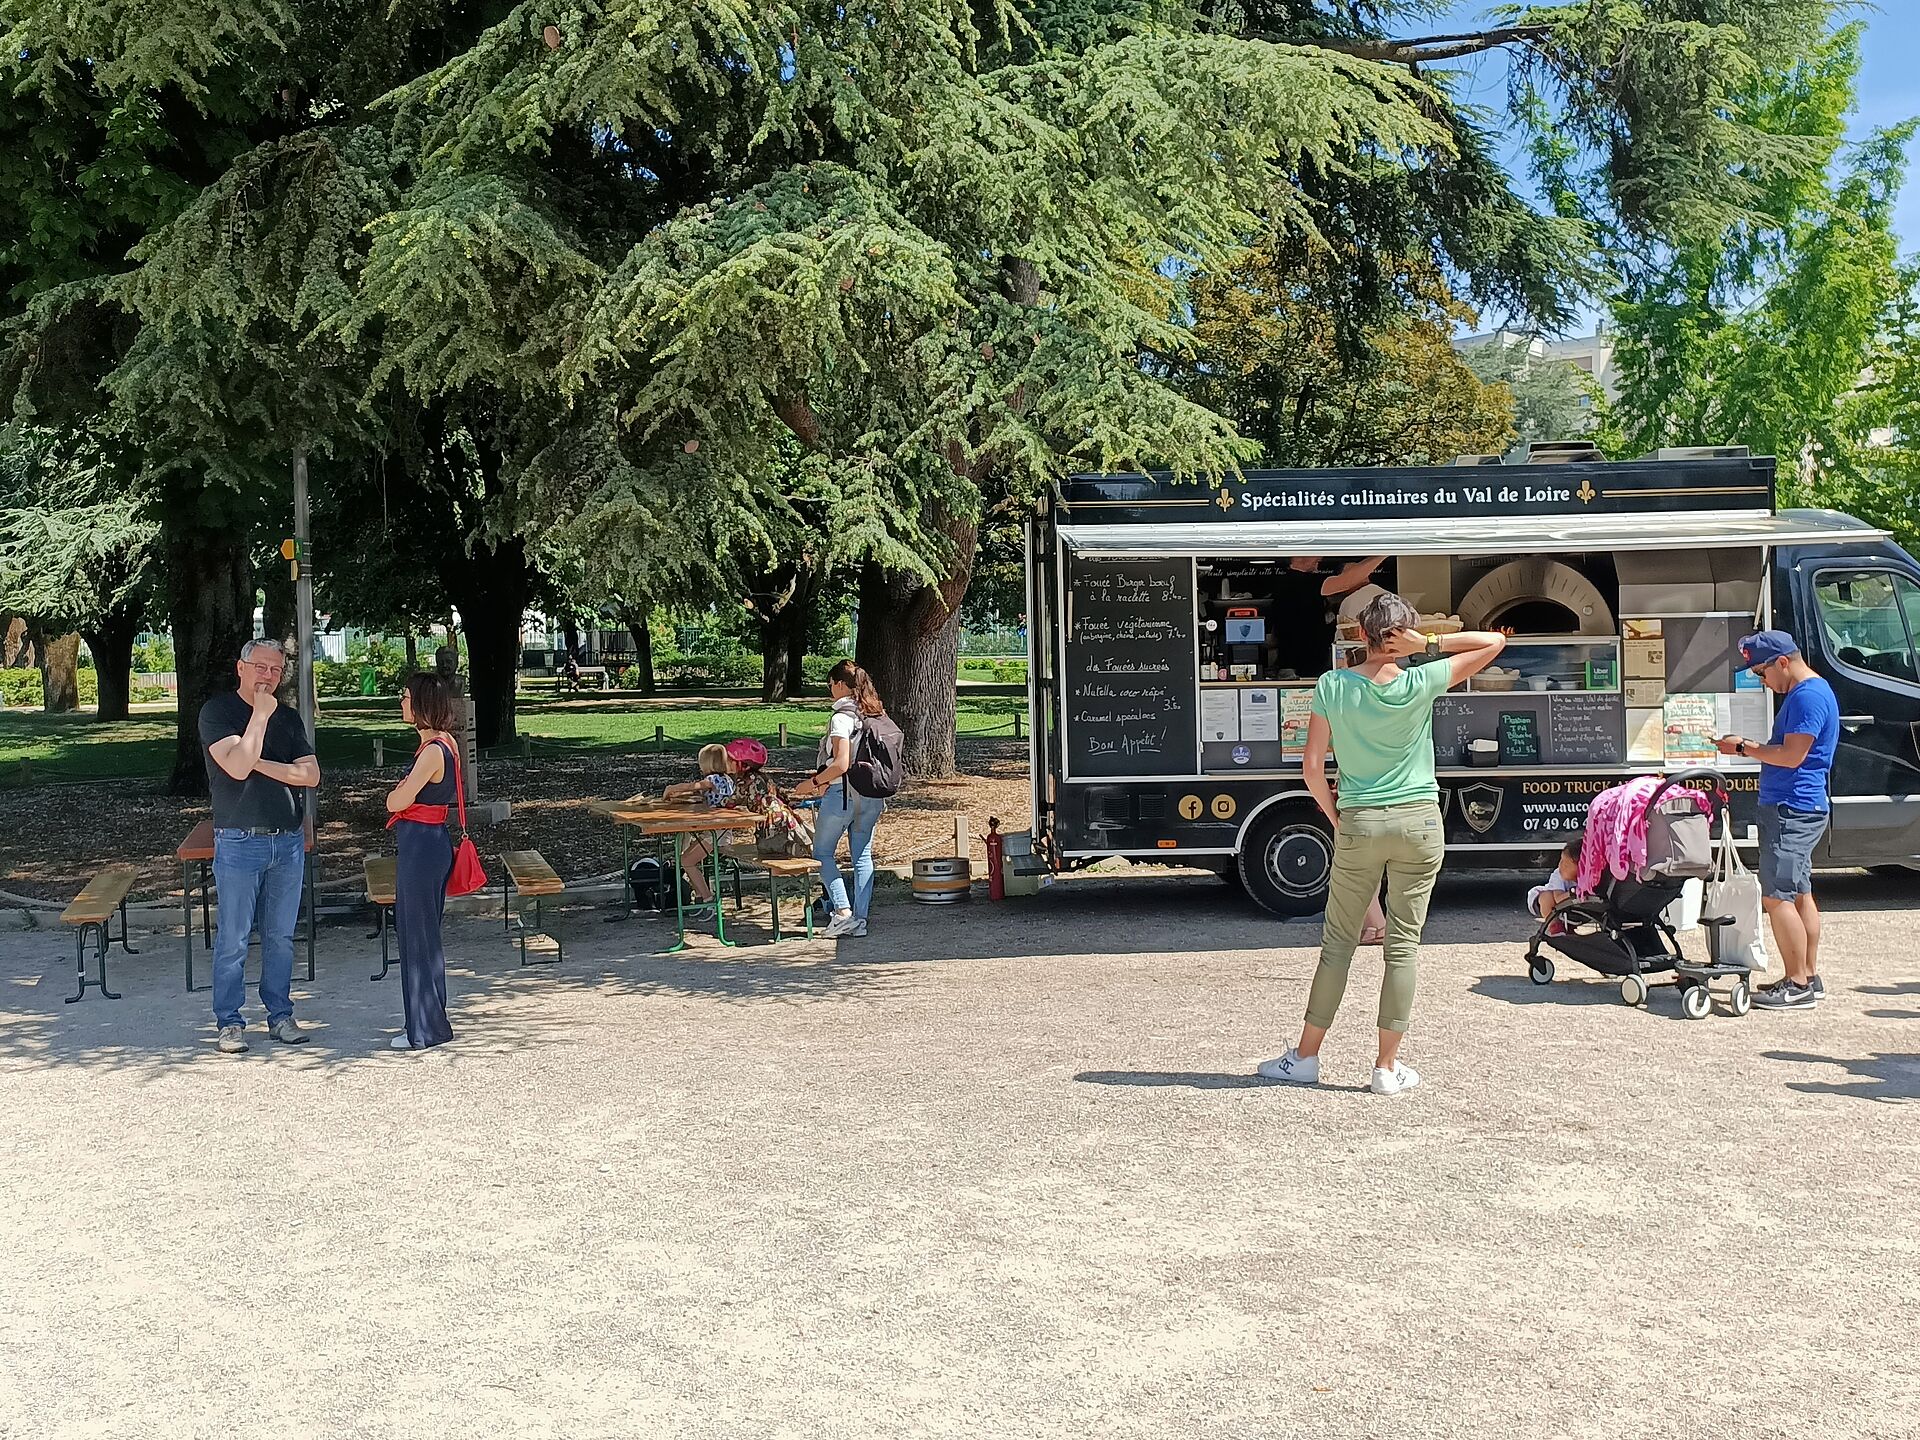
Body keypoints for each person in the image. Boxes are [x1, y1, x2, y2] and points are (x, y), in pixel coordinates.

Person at [1258, 593, 1506, 1095]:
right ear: (1404, 635)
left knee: (1337, 948)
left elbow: (1311, 769)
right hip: (1419, 823)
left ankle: (1305, 1058)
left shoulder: (1333, 685)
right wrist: (1430, 642)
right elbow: (1494, 641)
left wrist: (1338, 816)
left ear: (1359, 634)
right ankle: (1387, 1070)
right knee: (1404, 947)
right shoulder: (1422, 679)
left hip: (1361, 821)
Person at [198, 639, 321, 1054]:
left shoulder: (288, 718)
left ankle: (280, 1016)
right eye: (260, 668)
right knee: (233, 938)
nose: (268, 676)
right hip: (239, 840)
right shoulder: (218, 713)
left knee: (281, 937)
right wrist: (260, 718)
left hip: (286, 841)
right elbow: (233, 766)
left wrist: (259, 763)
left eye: (275, 669)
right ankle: (230, 1023)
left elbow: (311, 774)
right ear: (241, 668)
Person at [1715, 629, 1839, 1010]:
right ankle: (1808, 976)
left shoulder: (1807, 697)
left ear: (1782, 662)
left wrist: (1743, 748)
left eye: (1761, 673)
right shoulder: (1813, 693)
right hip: (1798, 805)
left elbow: (1791, 756)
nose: (1762, 681)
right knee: (1800, 893)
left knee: (1776, 896)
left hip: (1792, 807)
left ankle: (1797, 982)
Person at [382, 673, 460, 1051]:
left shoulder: (432, 751)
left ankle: (424, 1029)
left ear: (422, 704)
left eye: (406, 696)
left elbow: (397, 801)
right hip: (430, 844)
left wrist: (395, 794)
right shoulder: (445, 745)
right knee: (423, 936)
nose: (402, 701)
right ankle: (429, 1021)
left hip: (422, 847)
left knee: (416, 935)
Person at [789, 660, 888, 939]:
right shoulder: (874, 713)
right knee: (862, 855)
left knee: (822, 853)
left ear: (841, 685)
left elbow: (841, 762)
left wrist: (812, 783)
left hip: (842, 794)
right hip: (872, 795)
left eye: (831, 685)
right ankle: (860, 918)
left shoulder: (841, 718)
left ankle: (843, 912)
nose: (830, 690)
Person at [1268, 555, 1388, 679]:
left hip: (1302, 663)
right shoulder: (1299, 581)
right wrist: (1383, 553)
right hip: (1301, 666)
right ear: (1299, 557)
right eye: (1316, 557)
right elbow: (1345, 582)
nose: (1319, 561)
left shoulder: (1287, 582)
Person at [663, 743, 738, 913]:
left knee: (686, 861)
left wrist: (672, 788)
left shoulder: (712, 780)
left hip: (716, 832)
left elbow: (693, 786)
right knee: (685, 857)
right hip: (720, 830)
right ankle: (700, 897)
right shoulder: (727, 779)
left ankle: (708, 899)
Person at [1527, 835, 1583, 928]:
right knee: (1547, 897)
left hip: (1571, 906)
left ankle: (1568, 929)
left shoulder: (1587, 879)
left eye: (1566, 865)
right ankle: (1554, 925)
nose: (1560, 866)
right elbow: (1558, 899)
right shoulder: (1558, 875)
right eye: (1560, 861)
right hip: (1546, 899)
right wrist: (1574, 891)